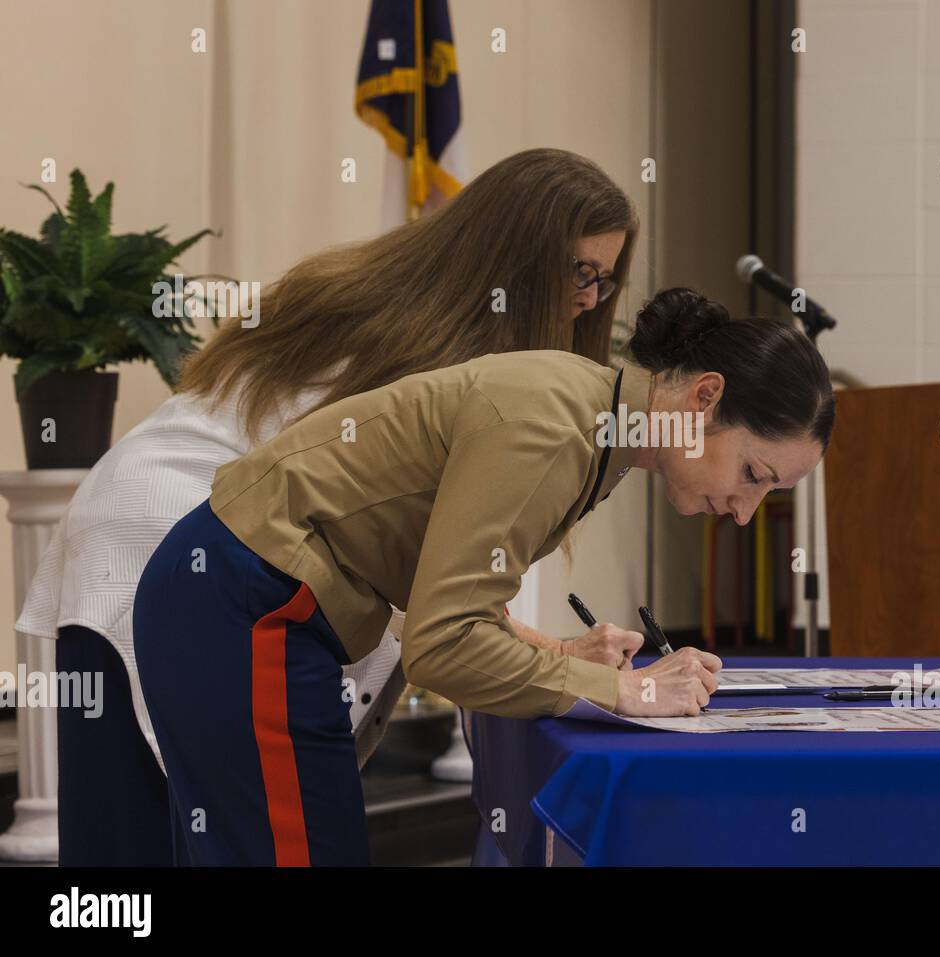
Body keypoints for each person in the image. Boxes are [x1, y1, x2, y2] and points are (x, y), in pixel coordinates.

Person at [15, 147, 644, 865]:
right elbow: (418, 557)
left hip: (167, 540)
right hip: (178, 540)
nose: (592, 299)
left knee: (145, 849)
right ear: (520, 254)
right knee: (171, 850)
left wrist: (555, 651)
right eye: (580, 272)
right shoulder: (448, 353)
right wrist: (569, 662)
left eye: (607, 277)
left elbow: (428, 562)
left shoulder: (405, 297)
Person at [132, 287, 836, 865]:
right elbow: (442, 644)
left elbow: (451, 590)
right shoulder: (560, 424)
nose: (745, 513)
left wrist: (556, 654)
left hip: (241, 597)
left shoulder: (597, 426)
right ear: (704, 398)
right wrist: (628, 688)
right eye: (752, 474)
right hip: (246, 599)